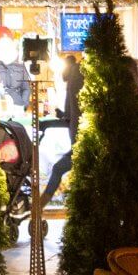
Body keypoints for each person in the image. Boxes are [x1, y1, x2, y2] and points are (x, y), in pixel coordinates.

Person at [43, 52, 83, 200]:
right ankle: (39, 207)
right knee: (59, 168)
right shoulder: (75, 78)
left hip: (80, 140)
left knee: (59, 168)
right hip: (78, 138)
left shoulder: (75, 78)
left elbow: (72, 112)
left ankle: (39, 207)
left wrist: (63, 115)